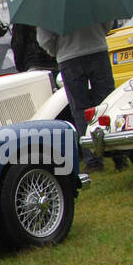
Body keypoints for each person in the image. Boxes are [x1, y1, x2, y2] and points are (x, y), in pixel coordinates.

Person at [38, 21, 115, 170]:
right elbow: (107, 22)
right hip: (97, 48)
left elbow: (44, 38)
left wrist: (57, 51)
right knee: (106, 103)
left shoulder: (48, 3)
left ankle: (92, 159)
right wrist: (97, 35)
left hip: (69, 57)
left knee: (80, 109)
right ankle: (117, 153)